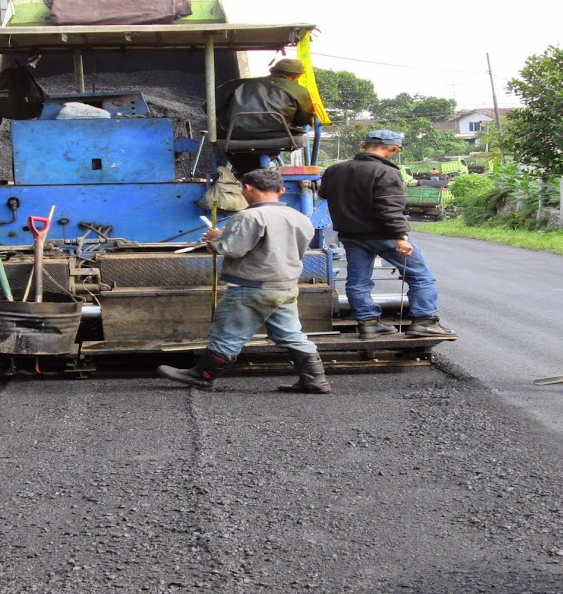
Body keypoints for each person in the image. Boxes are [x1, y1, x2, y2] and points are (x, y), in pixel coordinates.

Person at [158, 168, 330, 394]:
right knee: (290, 334)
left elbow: (234, 249)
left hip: (251, 288)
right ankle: (315, 379)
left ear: (247, 188)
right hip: (284, 286)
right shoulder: (299, 217)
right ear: (280, 190)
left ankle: (203, 376)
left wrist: (216, 241)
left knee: (228, 334)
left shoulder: (249, 216)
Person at [319, 130, 454, 339]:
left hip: (351, 236)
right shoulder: (386, 172)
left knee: (358, 282)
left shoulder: (334, 170)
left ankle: (368, 324)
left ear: (364, 145)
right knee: (420, 276)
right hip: (384, 235)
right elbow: (389, 208)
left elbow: (324, 194)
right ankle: (424, 321)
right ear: (394, 148)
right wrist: (401, 237)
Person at [212, 58, 315, 175]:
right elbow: (304, 120)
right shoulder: (299, 90)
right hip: (278, 135)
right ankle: (254, 171)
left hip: (234, 135)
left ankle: (243, 171)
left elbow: (209, 109)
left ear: (273, 71)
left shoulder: (236, 84)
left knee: (230, 147)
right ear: (295, 76)